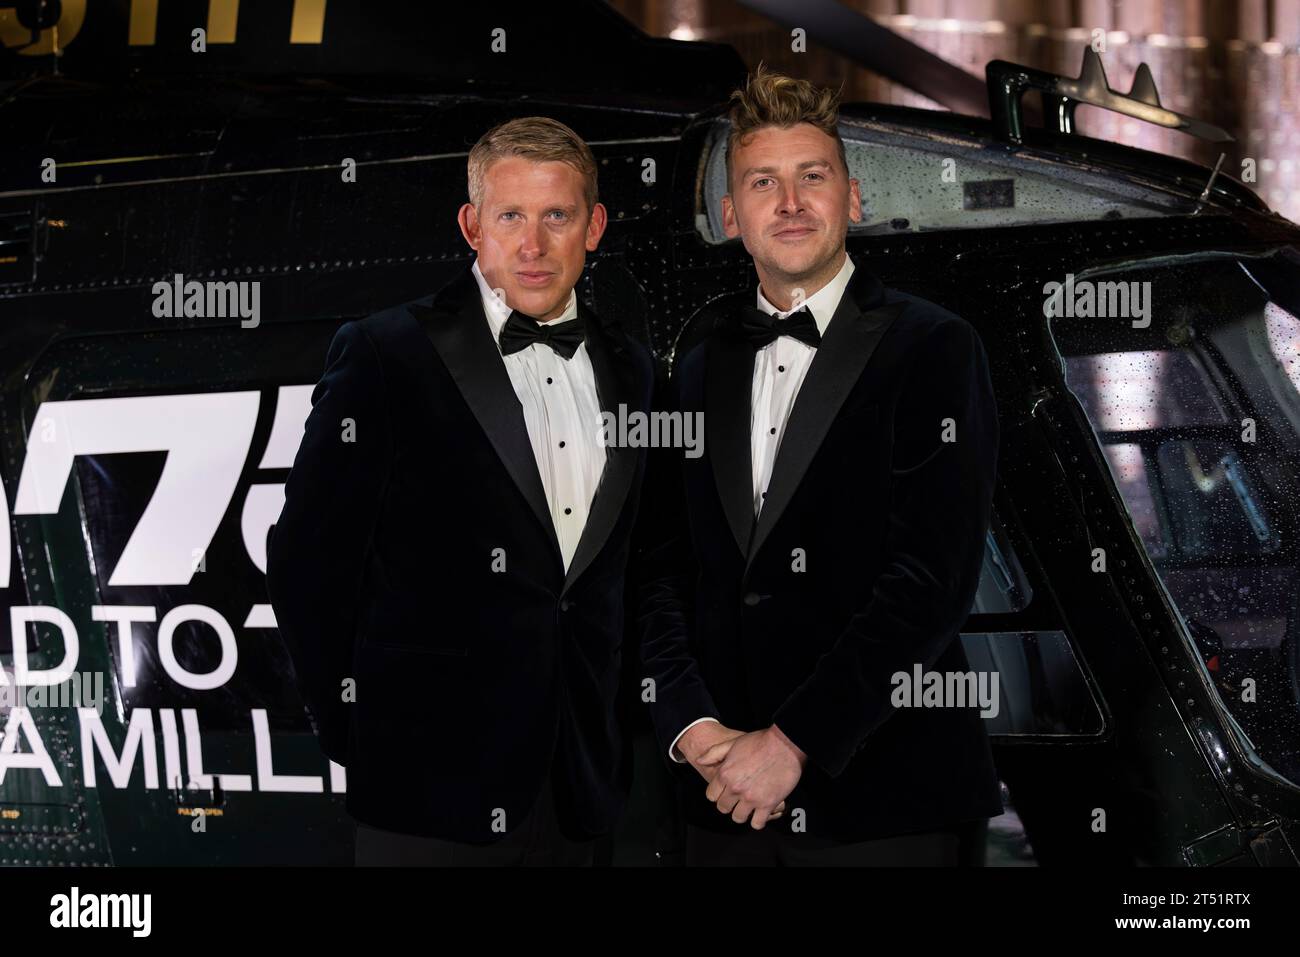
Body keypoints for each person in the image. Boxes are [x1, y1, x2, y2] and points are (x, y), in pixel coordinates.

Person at [638, 66, 1003, 865]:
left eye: (814, 176)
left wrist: (796, 741)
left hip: (892, 808)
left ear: (853, 198)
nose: (791, 202)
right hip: (719, 803)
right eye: (764, 182)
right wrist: (691, 727)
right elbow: (660, 569)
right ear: (733, 215)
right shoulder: (695, 364)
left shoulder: (936, 346)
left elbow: (931, 578)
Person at [268, 116, 654, 865]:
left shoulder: (633, 370)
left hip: (580, 798)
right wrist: (360, 732)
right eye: (511, 216)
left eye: (557, 216)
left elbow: (625, 577)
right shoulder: (386, 351)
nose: (533, 245)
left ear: (595, 226)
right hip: (426, 799)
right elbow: (306, 561)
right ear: (473, 225)